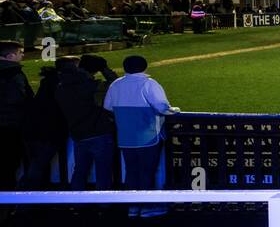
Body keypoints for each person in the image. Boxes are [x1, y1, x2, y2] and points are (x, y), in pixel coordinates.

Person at [102, 55, 177, 217]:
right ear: (144, 67)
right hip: (148, 135)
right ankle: (148, 206)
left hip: (125, 136)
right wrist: (174, 111)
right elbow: (162, 107)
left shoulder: (116, 85)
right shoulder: (149, 84)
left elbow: (108, 106)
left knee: (132, 171)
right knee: (147, 171)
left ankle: (134, 206)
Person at [55, 56, 117, 191]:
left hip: (78, 134)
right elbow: (115, 84)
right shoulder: (92, 87)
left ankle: (76, 203)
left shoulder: (61, 87)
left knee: (80, 170)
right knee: (104, 171)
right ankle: (103, 204)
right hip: (99, 132)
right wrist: (104, 69)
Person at [22, 66, 65, 189]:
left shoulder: (42, 94)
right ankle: (23, 202)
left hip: (33, 134)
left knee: (36, 167)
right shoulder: (55, 95)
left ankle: (32, 200)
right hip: (47, 135)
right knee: (36, 168)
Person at [0, 41, 32, 190]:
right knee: (9, 167)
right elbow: (19, 99)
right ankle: (7, 206)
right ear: (11, 55)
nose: (23, 55)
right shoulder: (13, 73)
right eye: (20, 53)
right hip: (10, 127)